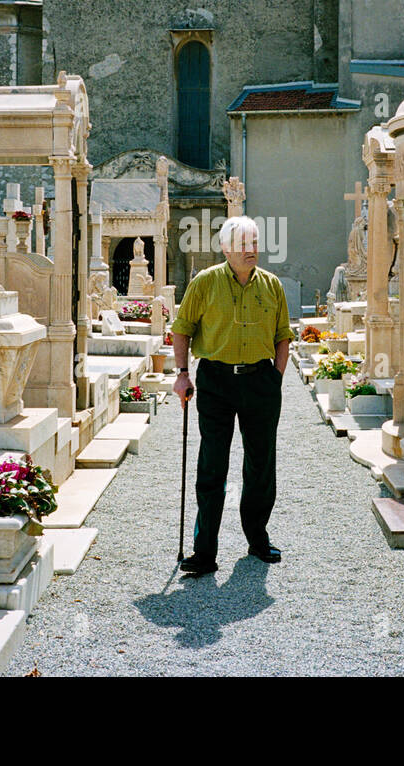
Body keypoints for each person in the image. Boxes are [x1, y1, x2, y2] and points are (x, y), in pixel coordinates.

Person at [171, 215, 292, 576]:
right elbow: (182, 329)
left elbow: (283, 335)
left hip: (260, 382)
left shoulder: (271, 285)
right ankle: (204, 552)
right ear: (226, 248)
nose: (250, 249)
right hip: (215, 382)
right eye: (242, 244)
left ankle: (257, 540)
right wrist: (181, 374)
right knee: (212, 465)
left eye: (254, 242)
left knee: (260, 465)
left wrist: (276, 378)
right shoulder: (205, 283)